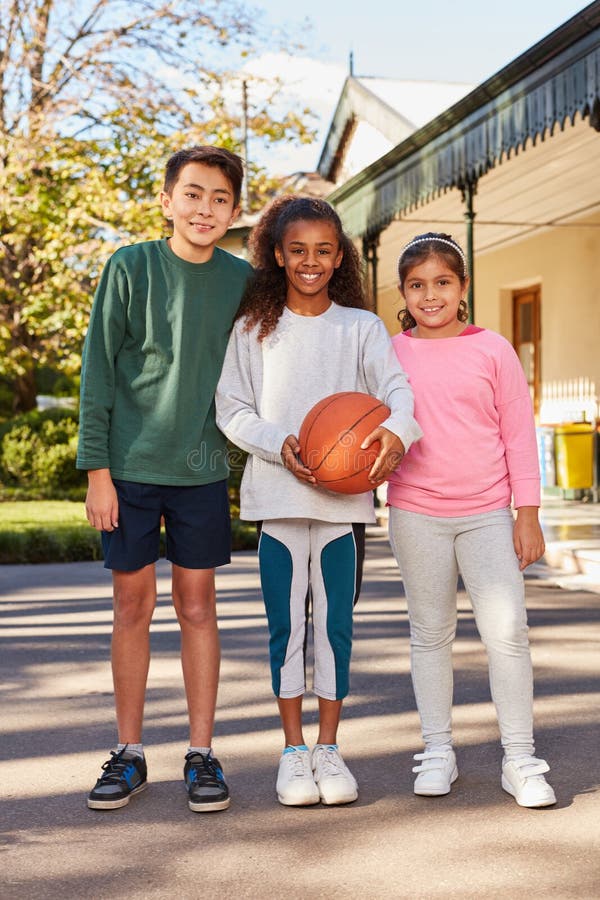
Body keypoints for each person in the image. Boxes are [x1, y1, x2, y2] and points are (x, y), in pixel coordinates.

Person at [215, 196, 422, 807]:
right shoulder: (253, 328)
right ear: (277, 255)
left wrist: (396, 431)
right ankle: (291, 752)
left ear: (340, 258)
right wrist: (280, 443)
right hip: (277, 499)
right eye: (298, 250)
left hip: (342, 508)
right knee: (286, 630)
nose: (311, 261)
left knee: (335, 627)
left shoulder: (360, 327)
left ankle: (329, 750)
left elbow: (397, 391)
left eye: (323, 251)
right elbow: (232, 408)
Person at [76, 145, 252, 813]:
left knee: (198, 608)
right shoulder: (130, 266)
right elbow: (99, 371)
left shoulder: (242, 280)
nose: (205, 208)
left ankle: (201, 752)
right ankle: (128, 753)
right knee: (132, 608)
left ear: (233, 211)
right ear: (167, 199)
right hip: (128, 470)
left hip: (202, 470)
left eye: (219, 199)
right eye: (193, 193)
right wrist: (98, 472)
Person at [387, 232, 556, 808]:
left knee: (506, 633)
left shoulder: (494, 349)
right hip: (415, 513)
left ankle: (520, 758)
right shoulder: (390, 352)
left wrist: (526, 514)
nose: (429, 295)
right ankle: (437, 751)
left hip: (487, 511)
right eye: (416, 285)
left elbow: (517, 435)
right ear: (403, 292)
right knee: (430, 634)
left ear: (462, 288)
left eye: (441, 282)